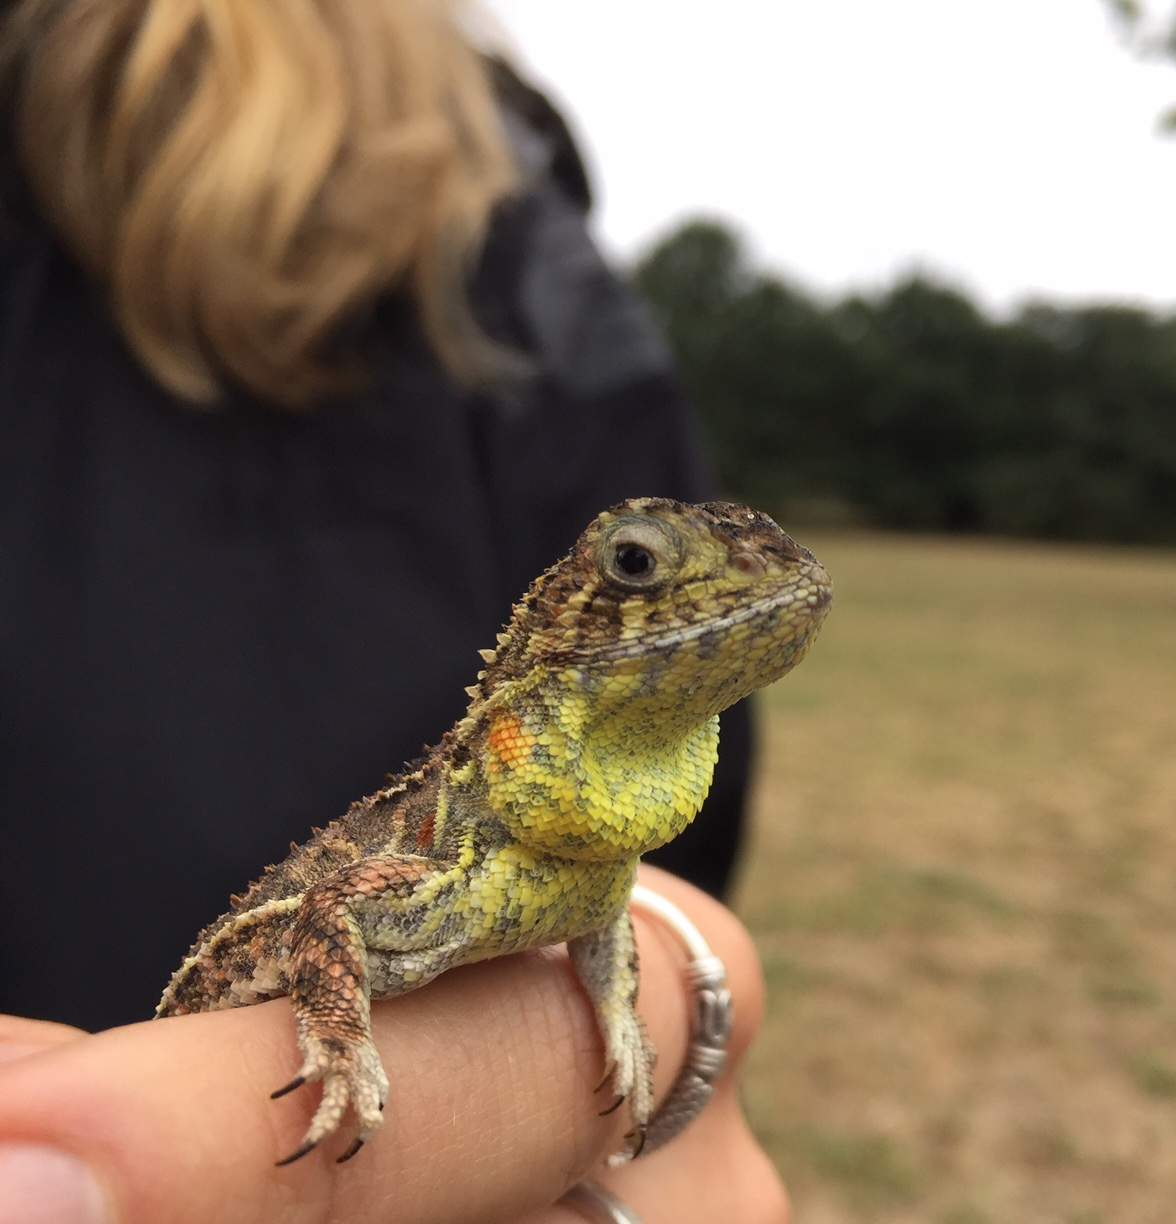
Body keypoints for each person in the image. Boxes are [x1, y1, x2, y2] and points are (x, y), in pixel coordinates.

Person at [0, 1, 780, 1218]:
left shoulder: (519, 258)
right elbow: (327, 920)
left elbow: (632, 905)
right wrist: (344, 1046)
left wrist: (666, 1021)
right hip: (203, 1009)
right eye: (637, 566)